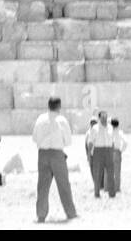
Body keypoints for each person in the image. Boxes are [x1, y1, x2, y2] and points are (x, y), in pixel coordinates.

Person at [33, 95, 78, 223]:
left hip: (42, 154)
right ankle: (70, 213)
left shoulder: (40, 119)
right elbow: (68, 141)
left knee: (42, 185)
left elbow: (35, 138)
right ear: (59, 106)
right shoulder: (62, 120)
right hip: (57, 154)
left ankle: (41, 215)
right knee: (63, 184)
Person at [84, 116, 100, 194]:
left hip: (98, 153)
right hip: (91, 154)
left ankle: (100, 185)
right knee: (92, 170)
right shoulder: (88, 133)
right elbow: (86, 145)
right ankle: (96, 184)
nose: (93, 124)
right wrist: (87, 155)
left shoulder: (99, 131)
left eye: (95, 123)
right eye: (92, 123)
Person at [110, 118, 125, 195]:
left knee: (108, 171)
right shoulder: (120, 132)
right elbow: (125, 142)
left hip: (110, 152)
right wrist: (121, 150)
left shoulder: (109, 132)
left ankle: (108, 188)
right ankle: (117, 188)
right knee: (117, 171)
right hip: (117, 151)